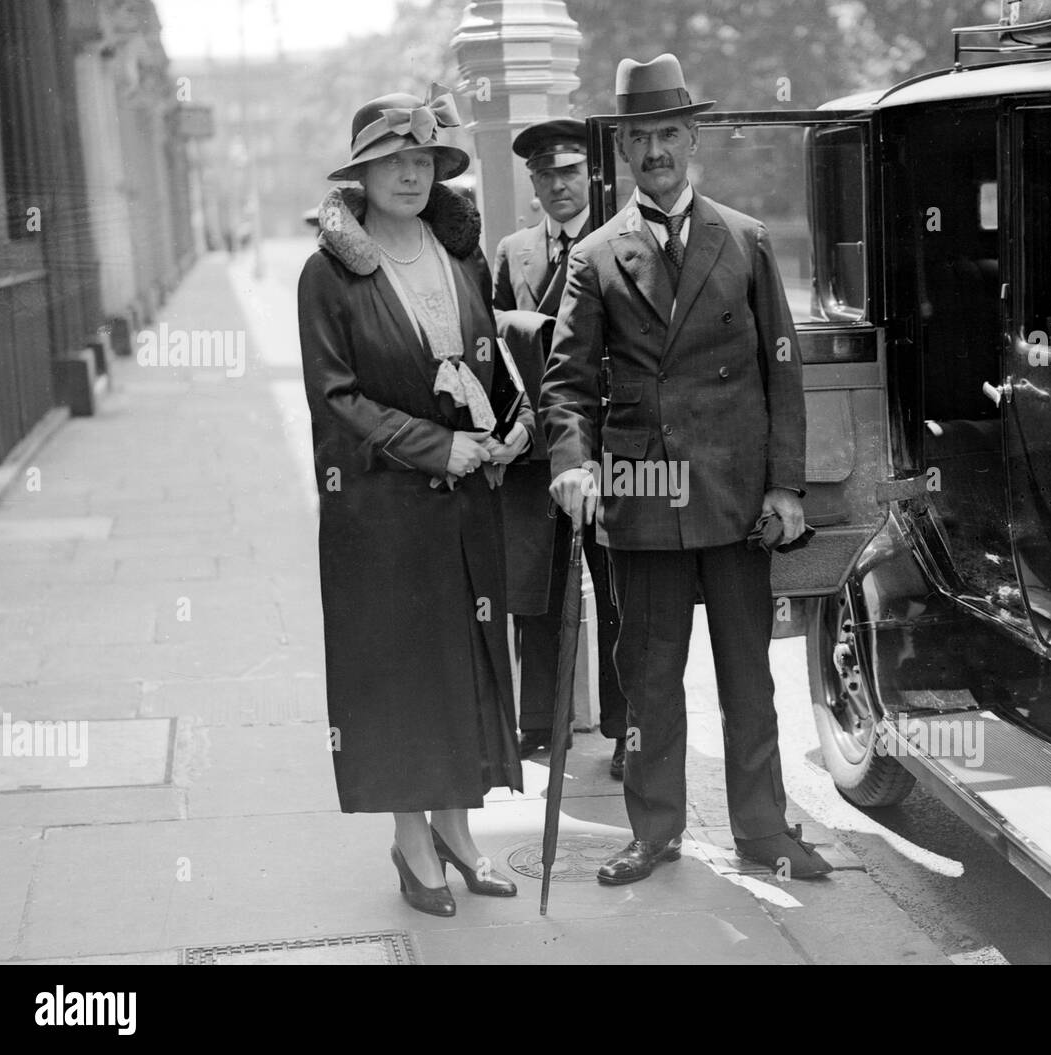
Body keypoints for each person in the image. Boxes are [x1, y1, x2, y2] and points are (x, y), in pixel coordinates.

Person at [539, 54, 831, 885]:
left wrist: (785, 484)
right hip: (642, 493)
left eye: (669, 132)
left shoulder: (745, 240)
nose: (656, 149)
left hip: (737, 495)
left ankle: (765, 830)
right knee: (650, 679)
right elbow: (566, 385)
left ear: (691, 137)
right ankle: (656, 828)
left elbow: (782, 369)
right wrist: (572, 463)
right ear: (623, 146)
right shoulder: (595, 257)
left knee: (749, 678)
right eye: (641, 136)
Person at [298, 88, 533, 917]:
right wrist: (439, 445)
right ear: (361, 172)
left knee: (466, 665)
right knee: (401, 677)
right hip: (381, 514)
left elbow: (489, 358)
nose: (409, 173)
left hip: (465, 508)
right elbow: (337, 401)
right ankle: (410, 843)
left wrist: (512, 423)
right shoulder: (327, 274)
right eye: (391, 160)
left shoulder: (459, 255)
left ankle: (457, 833)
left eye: (422, 159)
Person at [492, 118, 628, 779]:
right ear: (534, 184)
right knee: (535, 595)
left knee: (618, 590)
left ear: (590, 177)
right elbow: (489, 348)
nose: (559, 186)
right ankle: (538, 723)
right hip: (532, 454)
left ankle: (627, 728)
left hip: (604, 450)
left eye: (570, 172)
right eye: (546, 175)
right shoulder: (513, 251)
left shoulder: (617, 244)